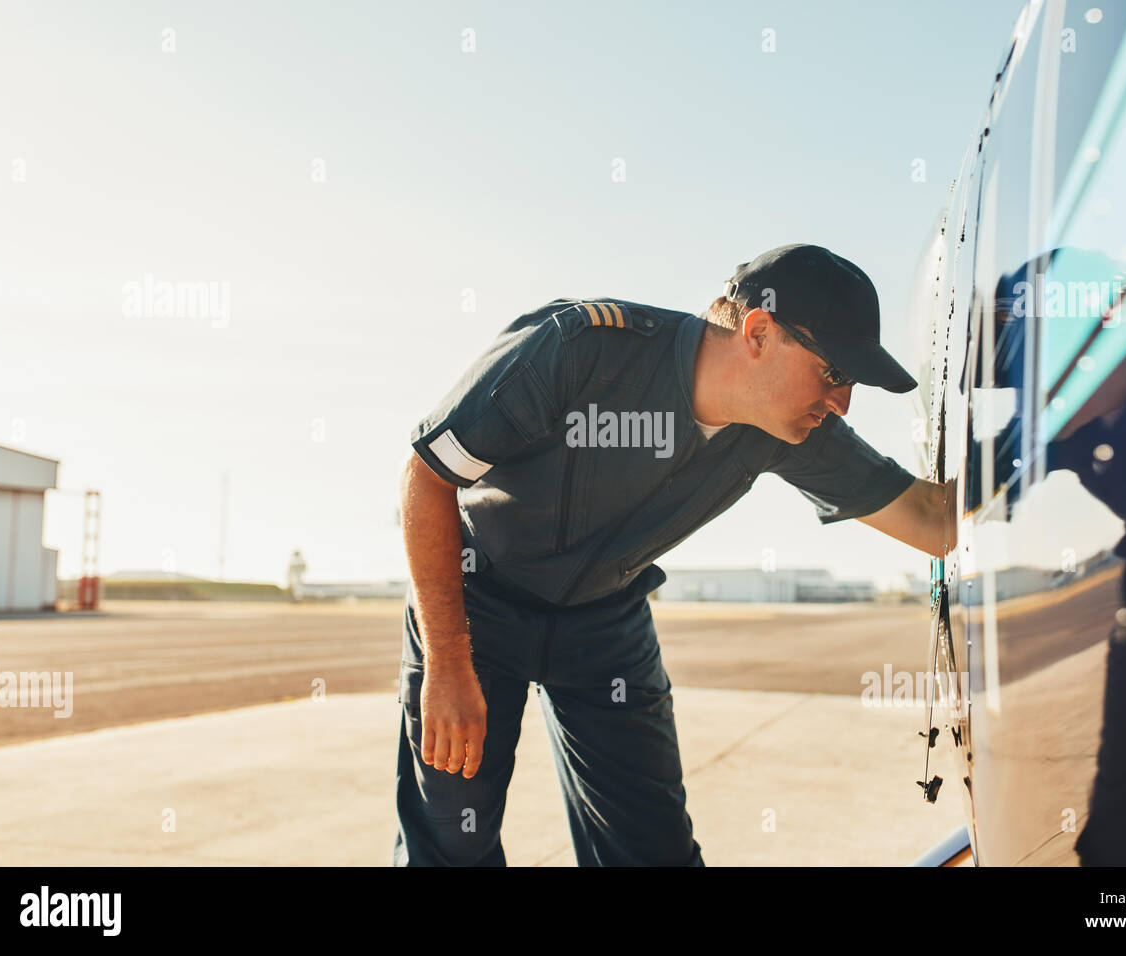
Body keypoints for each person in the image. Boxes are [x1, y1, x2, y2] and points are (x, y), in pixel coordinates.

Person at [394, 243, 955, 866]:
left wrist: (1061, 432)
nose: (842, 402)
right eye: (834, 374)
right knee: (452, 847)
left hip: (604, 621)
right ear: (759, 333)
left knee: (653, 853)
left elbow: (934, 520)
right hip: (477, 607)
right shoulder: (580, 348)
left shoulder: (788, 430)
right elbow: (427, 477)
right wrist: (446, 663)